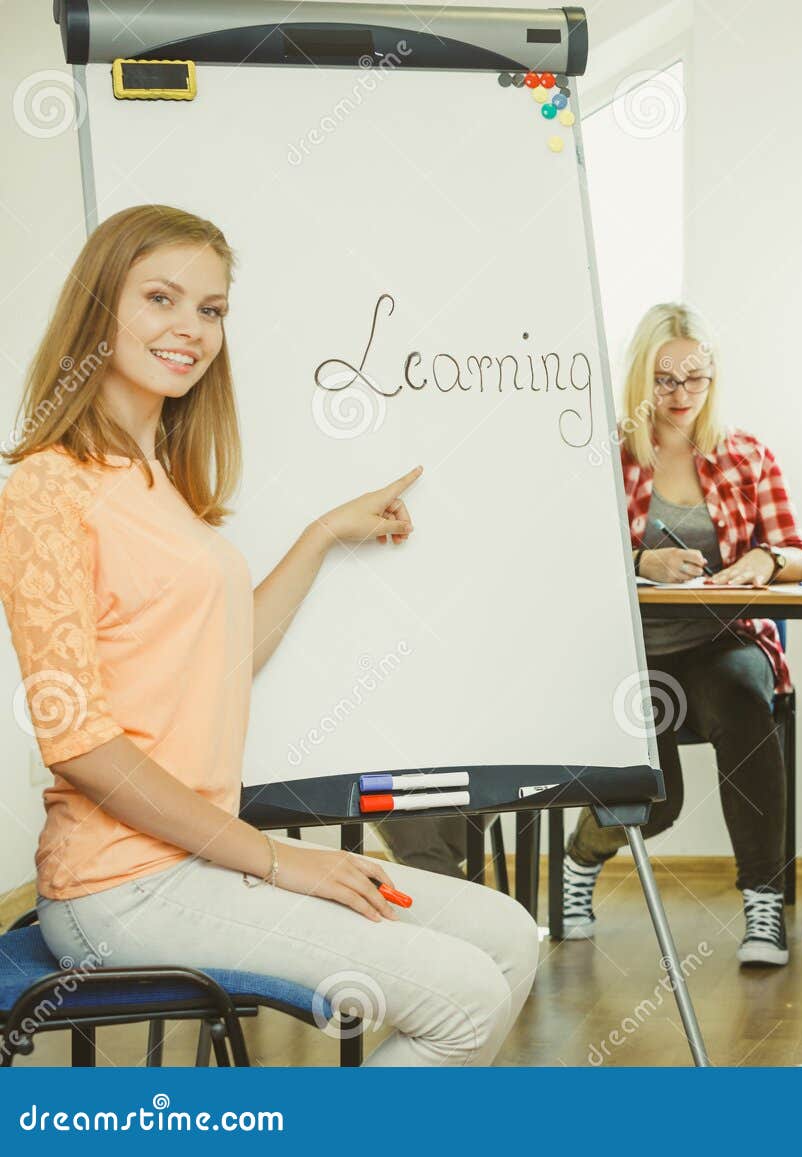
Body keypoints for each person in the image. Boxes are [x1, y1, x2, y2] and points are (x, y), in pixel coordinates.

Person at [0, 204, 538, 1064]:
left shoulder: (157, 480)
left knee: (509, 936)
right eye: (161, 298)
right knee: (466, 999)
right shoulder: (46, 488)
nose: (191, 327)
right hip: (121, 886)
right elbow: (81, 745)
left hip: (198, 859)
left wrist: (321, 534)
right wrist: (279, 860)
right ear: (99, 307)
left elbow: (223, 659)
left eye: (211, 309)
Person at [560, 303, 802, 967]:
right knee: (660, 800)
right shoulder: (607, 453)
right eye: (665, 379)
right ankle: (582, 855)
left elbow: (800, 553)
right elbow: (566, 555)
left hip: (722, 642)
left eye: (695, 378)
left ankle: (763, 902)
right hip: (633, 652)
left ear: (714, 377)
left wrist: (763, 560)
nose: (680, 394)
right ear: (640, 377)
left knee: (745, 704)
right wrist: (640, 561)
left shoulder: (746, 454)